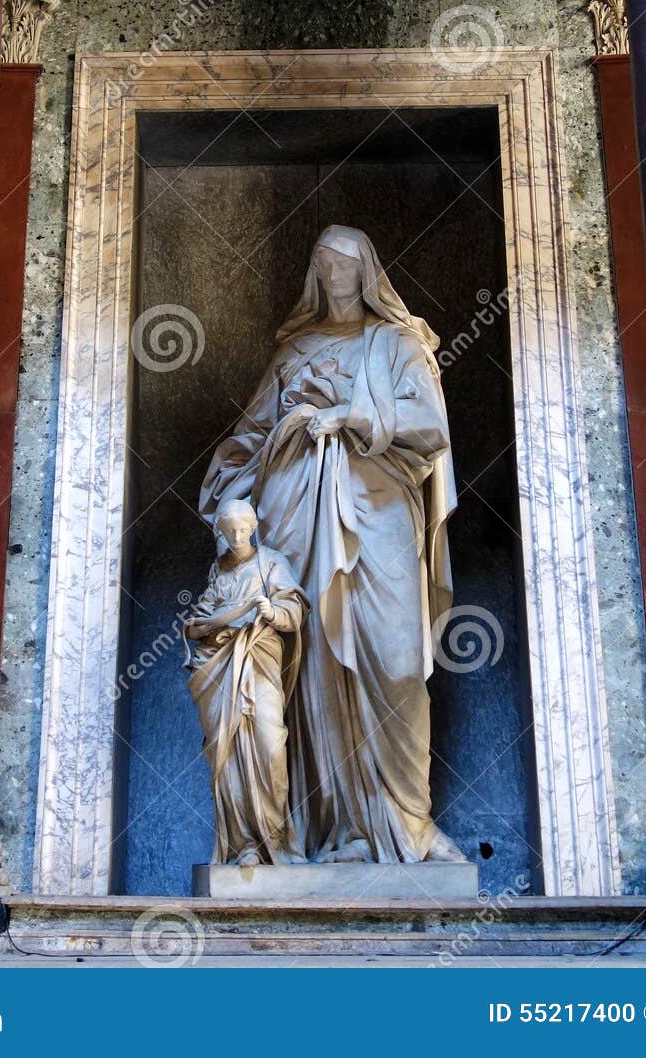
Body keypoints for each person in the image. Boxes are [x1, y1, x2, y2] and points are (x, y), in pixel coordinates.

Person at [199, 225, 465, 866]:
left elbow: (429, 426)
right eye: (321, 260)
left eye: (343, 261)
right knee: (314, 661)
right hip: (297, 516)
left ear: (367, 269)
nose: (332, 271)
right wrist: (287, 430)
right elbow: (245, 443)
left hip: (379, 516)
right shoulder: (295, 349)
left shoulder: (398, 343)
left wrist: (346, 413)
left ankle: (410, 824)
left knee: (397, 662)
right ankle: (337, 832)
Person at [184, 497, 308, 867]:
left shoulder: (272, 563)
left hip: (259, 662)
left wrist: (275, 611)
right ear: (220, 531)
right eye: (230, 530)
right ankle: (244, 845)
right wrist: (220, 621)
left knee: (270, 744)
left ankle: (276, 840)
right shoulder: (217, 572)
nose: (237, 537)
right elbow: (198, 622)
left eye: (243, 529)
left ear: (254, 527)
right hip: (219, 668)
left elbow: (296, 609)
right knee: (228, 754)